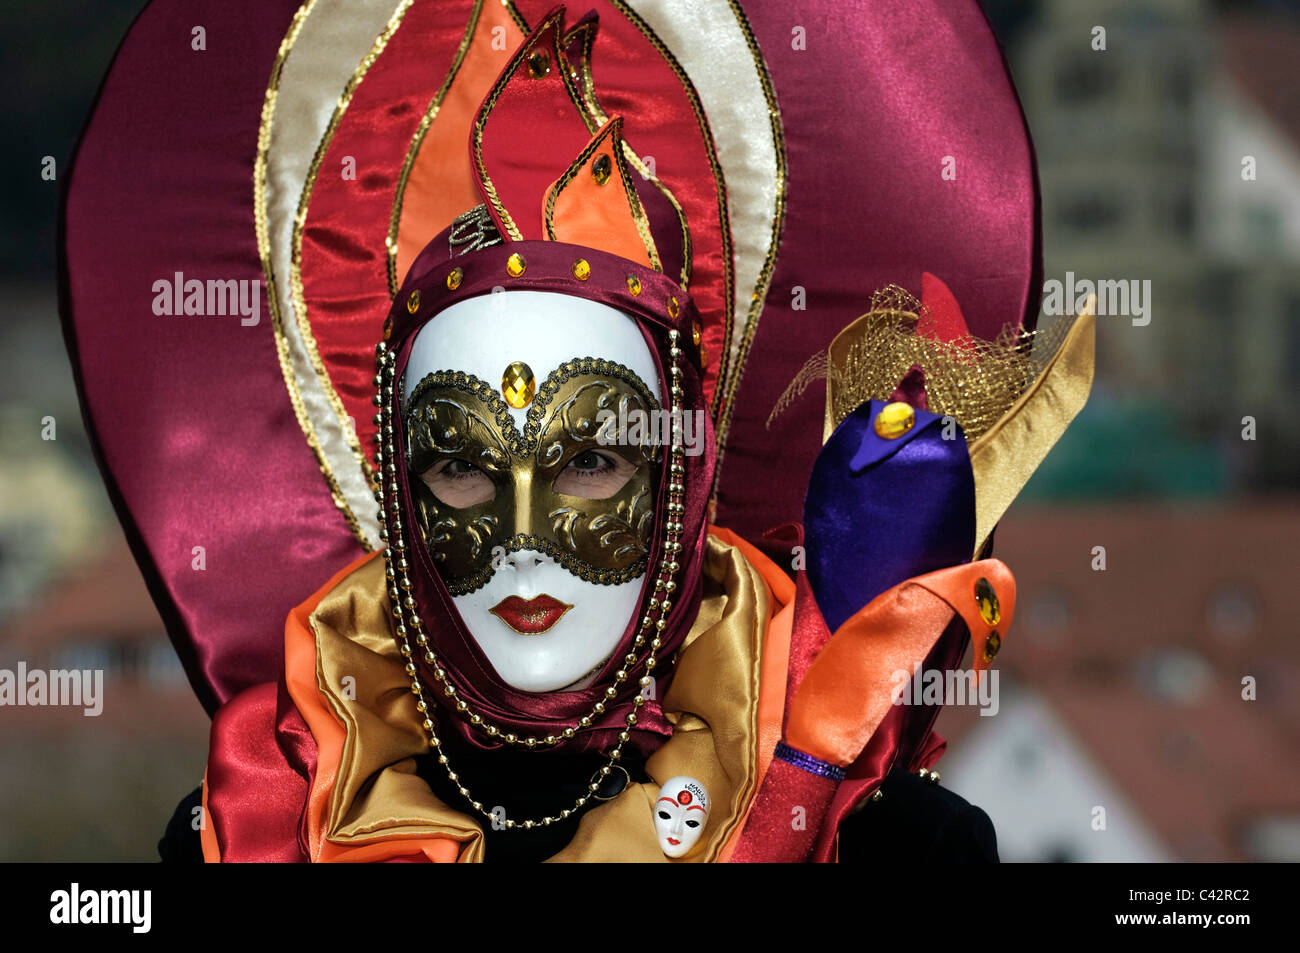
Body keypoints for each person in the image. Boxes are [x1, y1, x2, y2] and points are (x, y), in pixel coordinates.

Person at [64, 1, 1091, 863]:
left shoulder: (875, 837)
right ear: (398, 489)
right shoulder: (269, 820)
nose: (521, 533)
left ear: (680, 472)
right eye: (463, 465)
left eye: (590, 460)